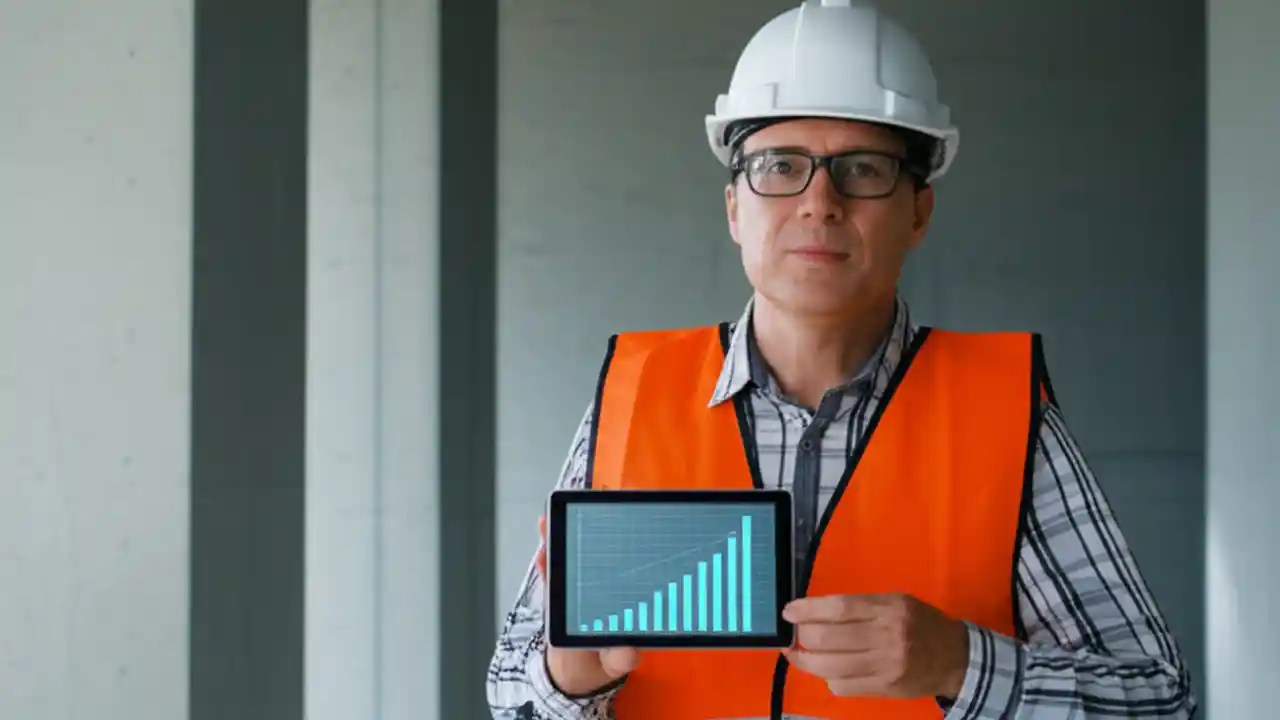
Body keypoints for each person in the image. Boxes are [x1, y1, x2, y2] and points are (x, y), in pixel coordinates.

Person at [487, 1, 1196, 718]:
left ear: (919, 212)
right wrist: (568, 681)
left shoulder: (1004, 416)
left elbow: (1160, 700)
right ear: (735, 208)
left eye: (862, 169)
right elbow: (511, 692)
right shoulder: (637, 399)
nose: (819, 202)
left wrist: (961, 662)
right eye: (781, 166)